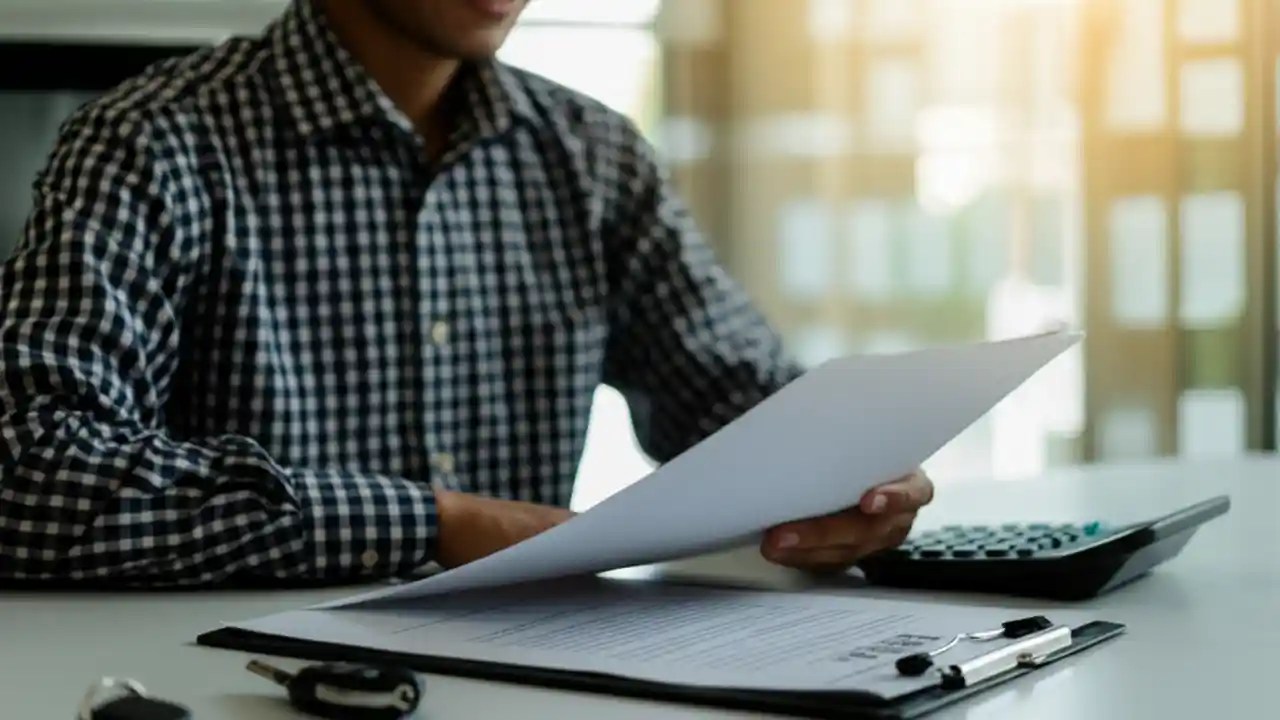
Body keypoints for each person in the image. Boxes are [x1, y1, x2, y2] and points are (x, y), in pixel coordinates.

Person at [0, 0, 933, 586]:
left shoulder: (591, 153)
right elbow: (30, 476)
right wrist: (440, 522)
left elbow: (734, 393)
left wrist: (851, 470)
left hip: (528, 679)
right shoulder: (148, 144)